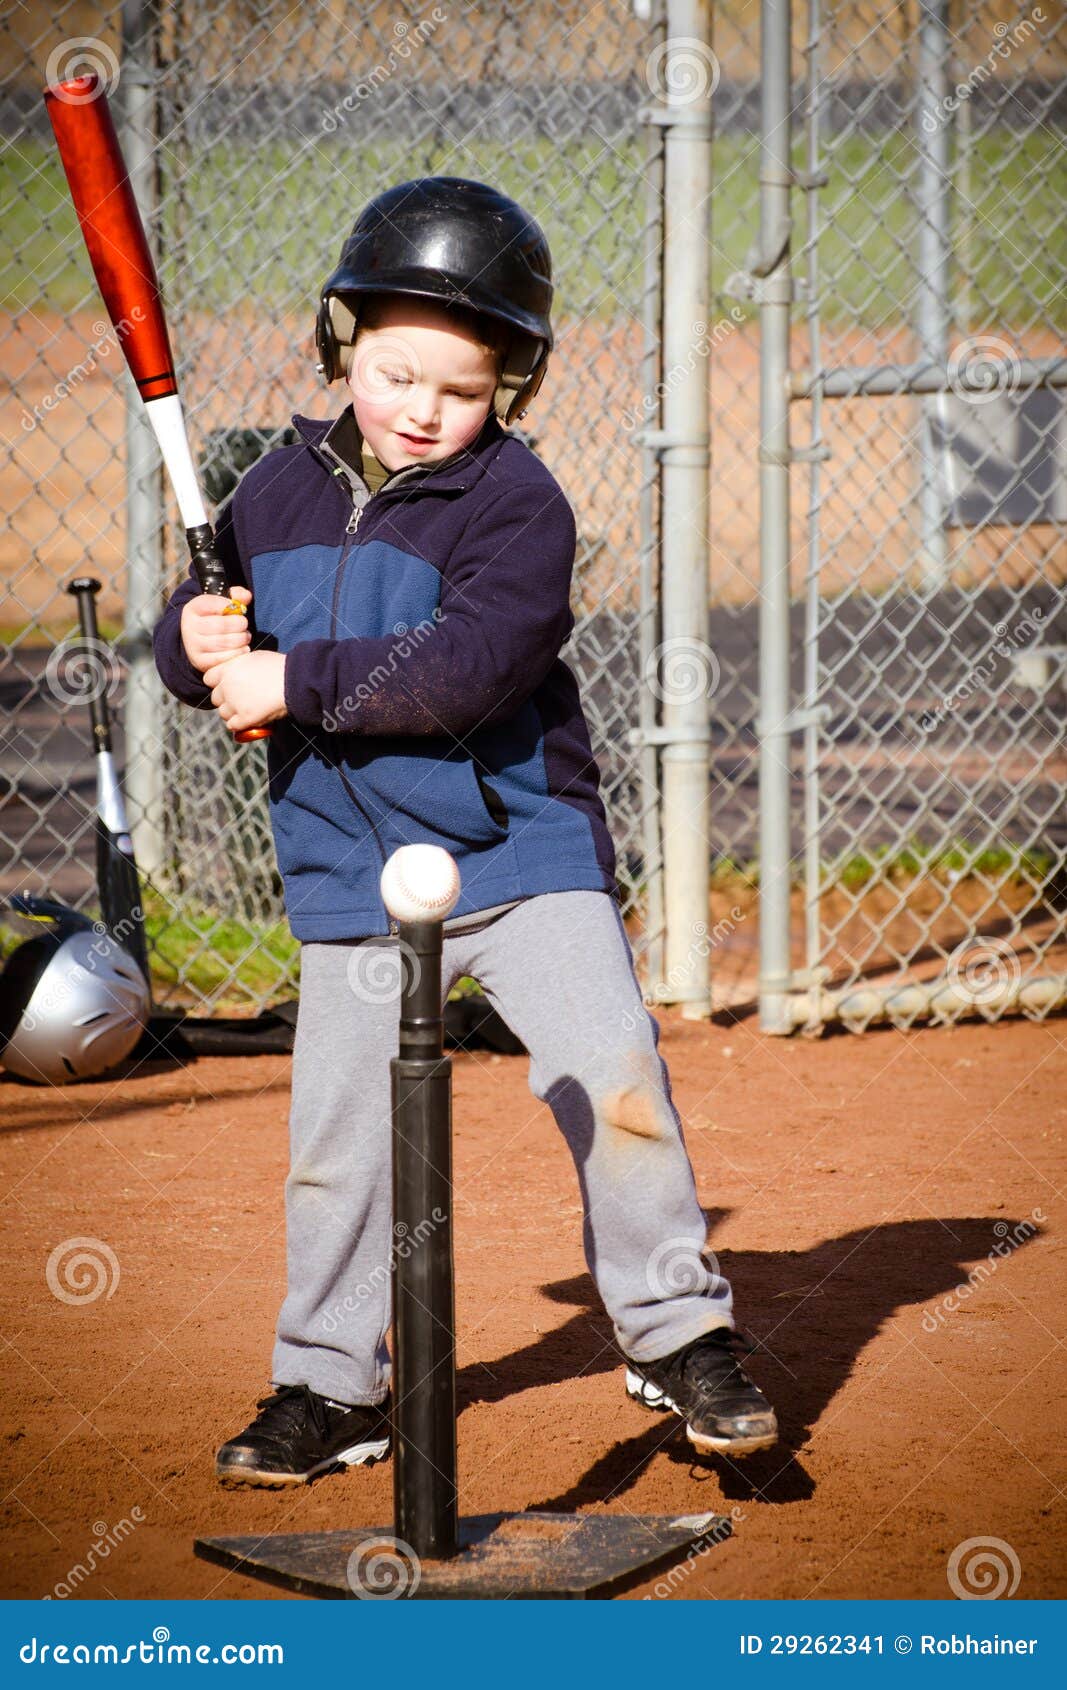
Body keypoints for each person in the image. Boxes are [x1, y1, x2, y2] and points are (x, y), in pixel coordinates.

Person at [153, 177, 777, 1488]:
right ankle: (332, 1386)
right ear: (344, 347)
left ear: (511, 384)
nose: (421, 407)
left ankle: (678, 1329)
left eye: (461, 383)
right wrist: (197, 638)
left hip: (516, 843)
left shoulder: (518, 505)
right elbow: (193, 646)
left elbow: (470, 667)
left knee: (615, 1072)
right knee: (337, 1138)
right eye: (394, 371)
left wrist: (292, 680)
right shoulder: (269, 494)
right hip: (350, 868)